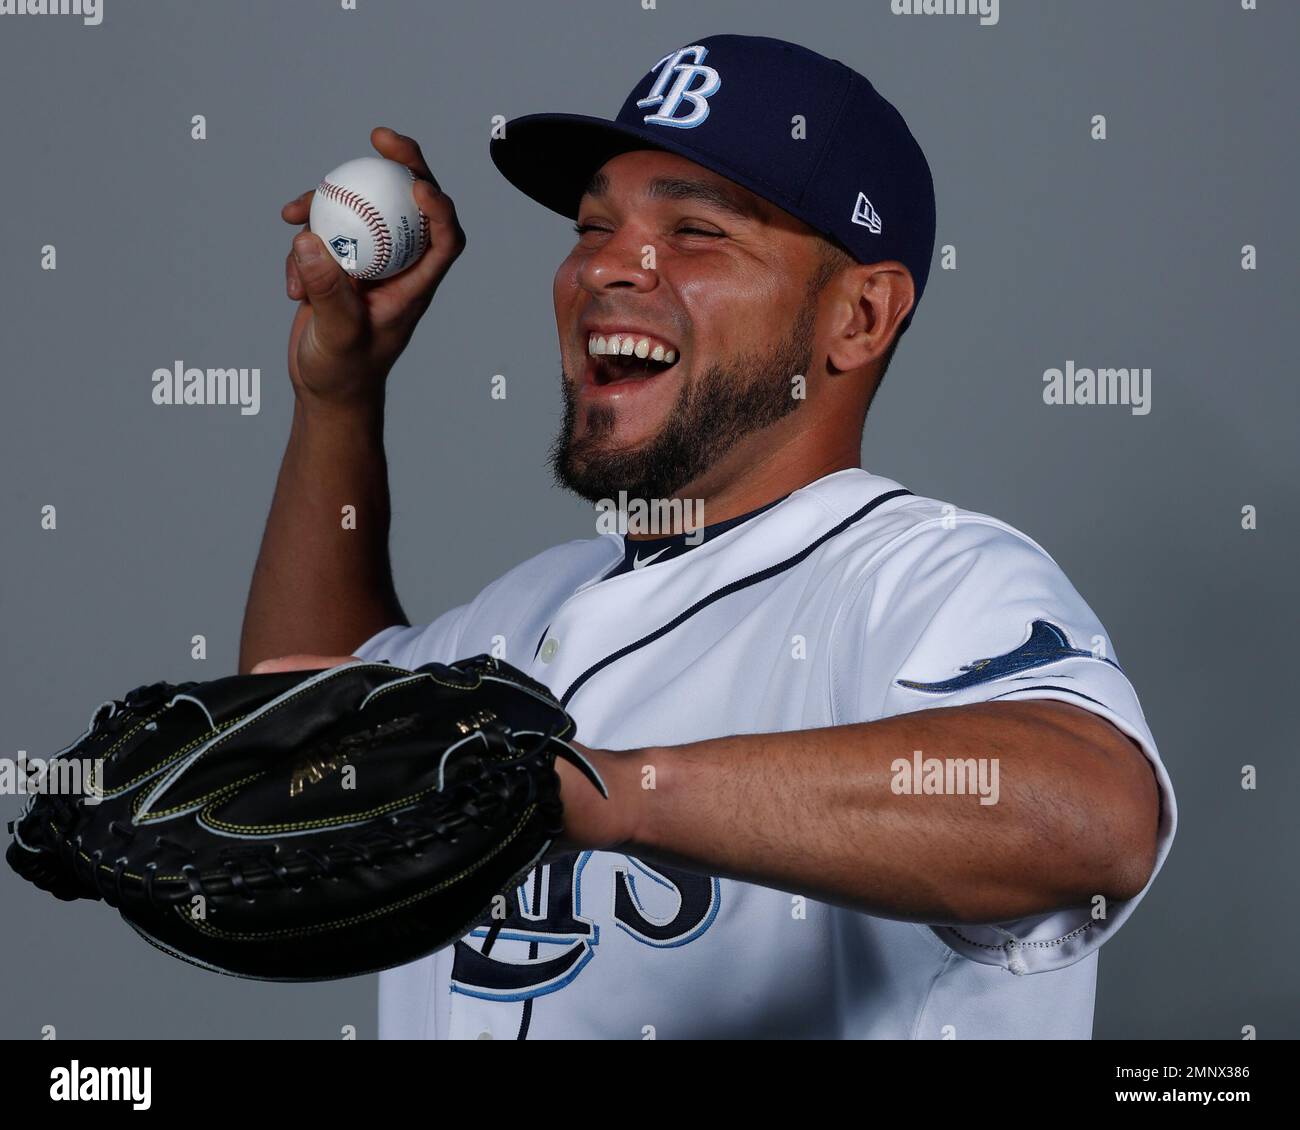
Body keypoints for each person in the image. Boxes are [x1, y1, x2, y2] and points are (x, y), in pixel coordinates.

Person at [241, 34, 1175, 1040]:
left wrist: (625, 792)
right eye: (594, 224)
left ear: (859, 315)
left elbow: (1092, 815)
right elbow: (294, 717)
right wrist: (338, 397)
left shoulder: (922, 574)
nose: (607, 265)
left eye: (694, 230)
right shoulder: (524, 608)